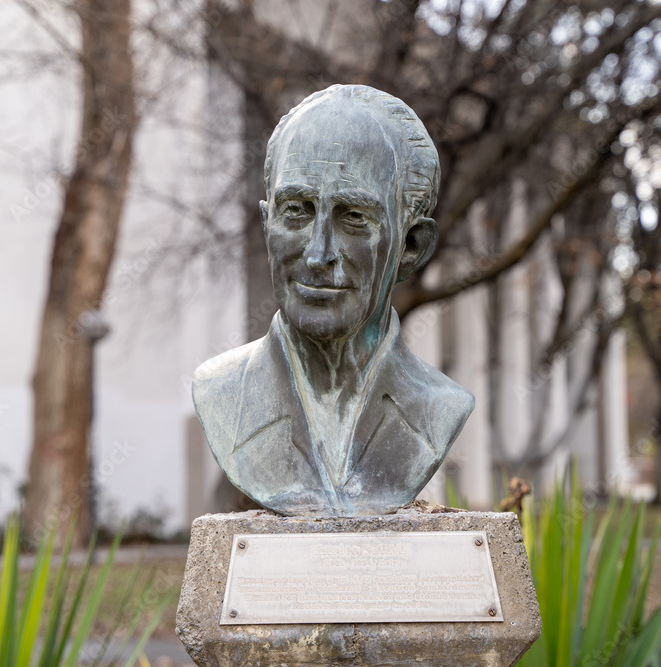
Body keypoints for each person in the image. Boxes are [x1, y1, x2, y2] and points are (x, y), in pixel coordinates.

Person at [192, 84, 473, 516]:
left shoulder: (439, 408)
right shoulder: (222, 392)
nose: (318, 254)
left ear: (411, 248)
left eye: (355, 217)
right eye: (297, 211)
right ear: (268, 225)